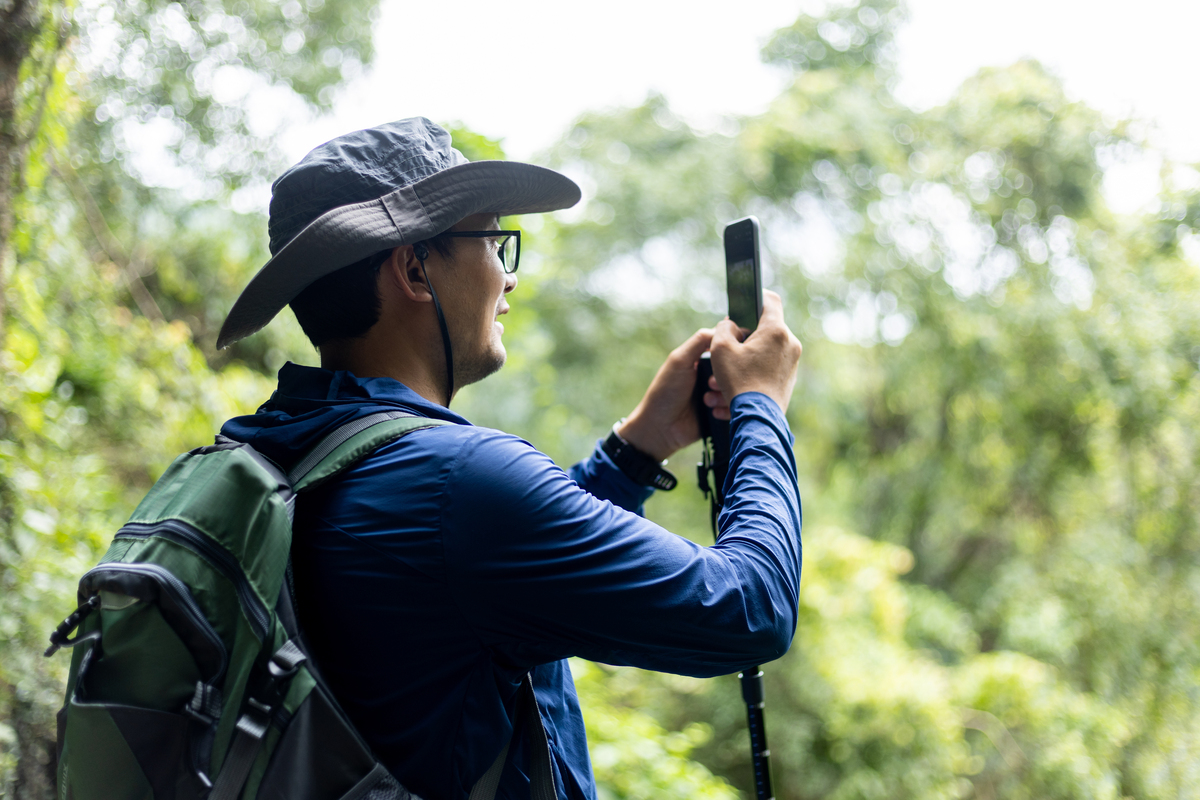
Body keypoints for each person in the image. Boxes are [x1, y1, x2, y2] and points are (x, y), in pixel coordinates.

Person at [217, 118, 803, 800]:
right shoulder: (458, 485)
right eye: (495, 242)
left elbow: (480, 573)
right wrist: (760, 404)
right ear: (414, 268)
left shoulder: (276, 454)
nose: (509, 279)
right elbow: (749, 608)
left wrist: (638, 448)